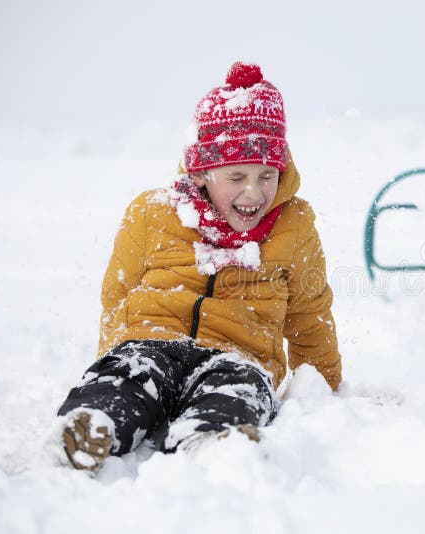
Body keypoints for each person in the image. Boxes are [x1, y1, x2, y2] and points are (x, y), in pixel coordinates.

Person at [55, 61, 342, 472]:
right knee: (127, 378)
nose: (253, 191)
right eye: (236, 175)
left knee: (235, 392)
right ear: (204, 171)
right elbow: (116, 295)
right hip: (149, 339)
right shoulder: (151, 213)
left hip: (240, 356)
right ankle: (89, 428)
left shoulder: (294, 226)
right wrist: (114, 355)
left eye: (267, 175)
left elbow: (310, 314)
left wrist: (325, 389)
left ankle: (212, 439)